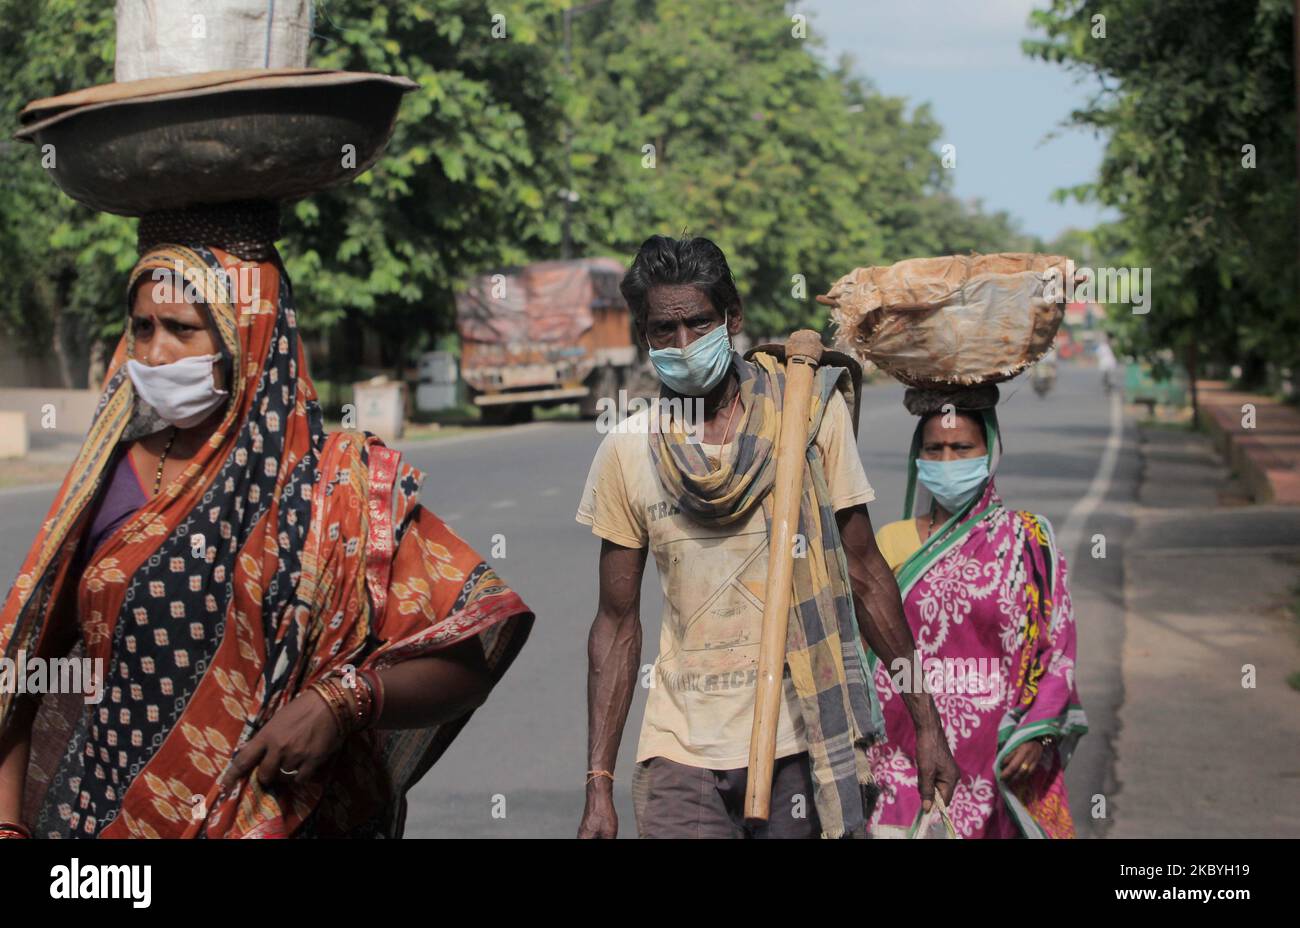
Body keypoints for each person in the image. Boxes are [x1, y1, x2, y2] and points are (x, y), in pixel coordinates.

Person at [0, 216, 533, 839]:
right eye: (142, 327)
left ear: (246, 336)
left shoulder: (340, 489)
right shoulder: (106, 478)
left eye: (180, 329)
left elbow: (463, 665)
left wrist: (344, 703)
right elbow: (24, 663)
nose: (153, 352)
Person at [575, 235, 957, 839]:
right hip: (681, 749)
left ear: (733, 319)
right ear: (643, 337)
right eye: (662, 332)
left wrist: (927, 723)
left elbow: (863, 571)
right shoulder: (627, 449)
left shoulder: (806, 417)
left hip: (798, 739)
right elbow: (616, 622)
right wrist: (598, 781)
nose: (682, 345)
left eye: (698, 325)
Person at [870, 386, 1087, 837]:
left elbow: (1057, 647)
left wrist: (1037, 733)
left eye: (962, 448)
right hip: (902, 746)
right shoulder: (891, 542)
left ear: (990, 451)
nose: (947, 460)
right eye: (935, 448)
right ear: (919, 455)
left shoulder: (1029, 541)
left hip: (994, 753)